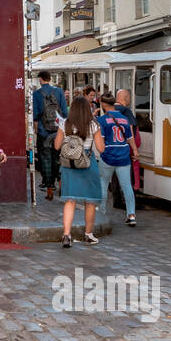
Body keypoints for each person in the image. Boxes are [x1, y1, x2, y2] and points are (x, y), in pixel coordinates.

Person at [55, 96, 105, 247]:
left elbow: (57, 146)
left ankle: (66, 235)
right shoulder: (93, 125)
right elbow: (101, 149)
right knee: (90, 201)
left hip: (69, 166)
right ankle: (88, 234)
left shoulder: (64, 124)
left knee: (70, 200)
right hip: (88, 164)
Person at [96, 92, 137, 227]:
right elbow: (130, 137)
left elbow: (100, 140)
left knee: (103, 183)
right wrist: (135, 150)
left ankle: (101, 212)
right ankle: (131, 214)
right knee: (126, 186)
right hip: (123, 155)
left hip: (108, 155)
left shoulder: (102, 120)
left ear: (103, 104)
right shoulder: (125, 119)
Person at [33, 71, 67, 201]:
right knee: (59, 158)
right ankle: (61, 185)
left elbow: (35, 115)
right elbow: (64, 112)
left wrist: (37, 130)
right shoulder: (59, 92)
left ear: (40, 79)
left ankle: (49, 189)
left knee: (45, 159)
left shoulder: (36, 94)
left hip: (43, 131)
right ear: (50, 79)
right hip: (58, 131)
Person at [115, 88, 142, 190]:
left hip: (115, 145)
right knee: (129, 170)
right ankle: (133, 189)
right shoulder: (126, 111)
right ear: (126, 98)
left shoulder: (111, 110)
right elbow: (130, 129)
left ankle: (118, 196)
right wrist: (134, 148)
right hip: (127, 146)